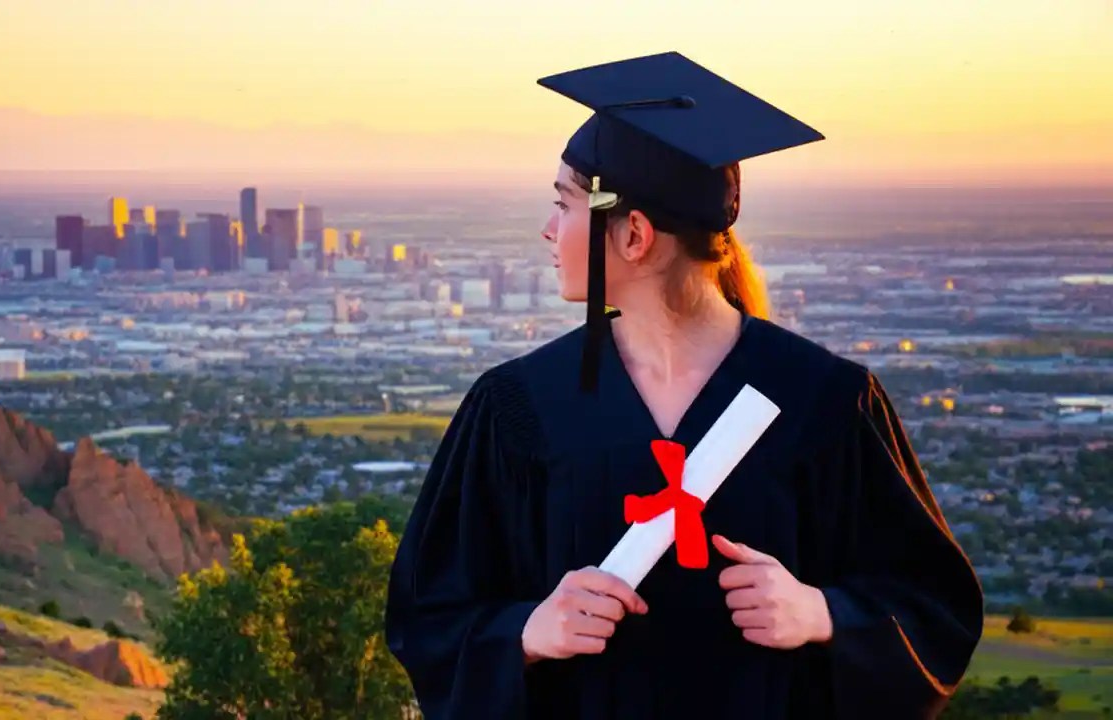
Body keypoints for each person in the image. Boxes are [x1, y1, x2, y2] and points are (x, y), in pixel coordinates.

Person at [385, 52, 983, 719]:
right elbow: (429, 617)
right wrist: (524, 633)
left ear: (634, 234)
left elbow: (935, 609)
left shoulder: (824, 402)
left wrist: (822, 613)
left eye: (565, 204)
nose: (548, 230)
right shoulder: (519, 410)